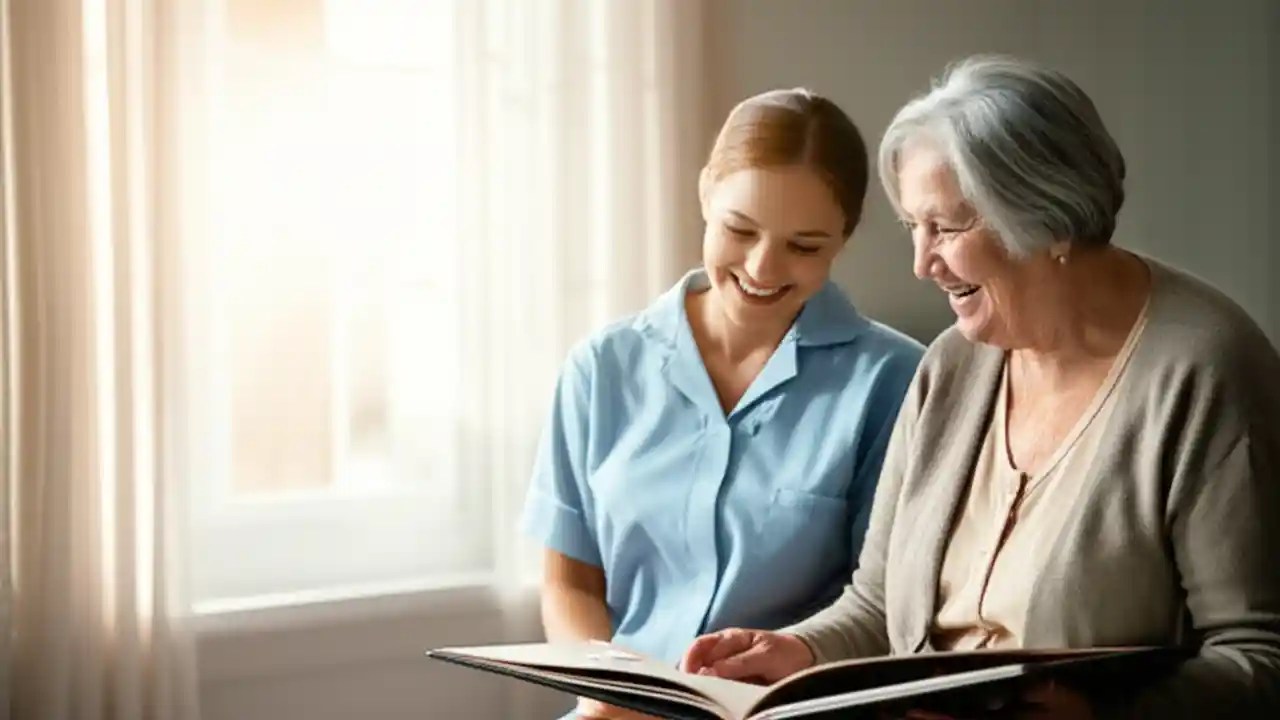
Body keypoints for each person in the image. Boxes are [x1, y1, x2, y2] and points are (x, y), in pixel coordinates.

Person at [681, 55, 1280, 719]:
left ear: (1048, 217)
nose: (922, 263)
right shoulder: (950, 367)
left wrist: (1100, 714)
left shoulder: (1206, 370)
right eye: (914, 227)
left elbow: (1258, 656)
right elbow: (878, 605)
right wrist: (796, 651)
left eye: (946, 227)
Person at [521, 88, 924, 719]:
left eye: (805, 245)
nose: (763, 267)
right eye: (741, 230)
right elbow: (570, 580)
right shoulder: (601, 368)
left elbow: (882, 606)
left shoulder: (894, 381)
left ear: (845, 235)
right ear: (707, 192)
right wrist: (604, 692)